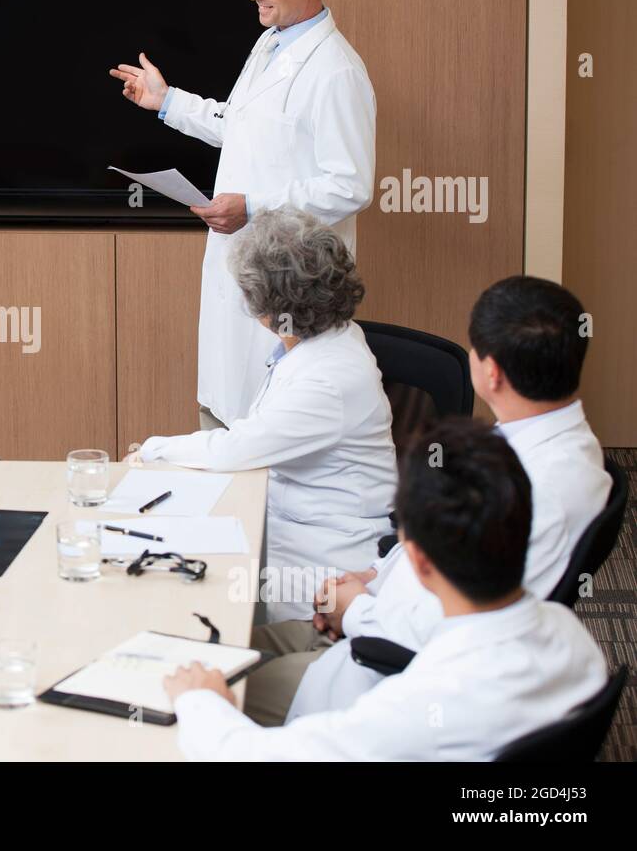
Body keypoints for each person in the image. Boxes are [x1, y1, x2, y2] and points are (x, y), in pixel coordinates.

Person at [164, 418, 608, 761]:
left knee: (171, 716)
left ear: (417, 561)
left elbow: (248, 754)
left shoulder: (416, 707)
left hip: (352, 686)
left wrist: (205, 702)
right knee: (230, 645)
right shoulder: (575, 640)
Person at [282, 276, 612, 720]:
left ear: (490, 372)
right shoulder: (548, 443)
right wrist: (372, 576)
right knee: (226, 643)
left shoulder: (542, 490)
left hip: (390, 677)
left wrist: (355, 609)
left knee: (213, 683)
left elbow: (457, 629)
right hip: (378, 611)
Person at [109, 0, 375, 429]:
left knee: (265, 427)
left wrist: (252, 206)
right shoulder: (273, 43)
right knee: (226, 409)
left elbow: (350, 185)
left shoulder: (336, 71)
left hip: (291, 282)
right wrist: (166, 102)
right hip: (246, 268)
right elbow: (243, 125)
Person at [134, 211, 395, 624]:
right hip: (288, 524)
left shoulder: (327, 378)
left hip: (324, 556)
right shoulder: (324, 340)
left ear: (266, 307)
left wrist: (152, 449)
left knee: (190, 600)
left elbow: (237, 448)